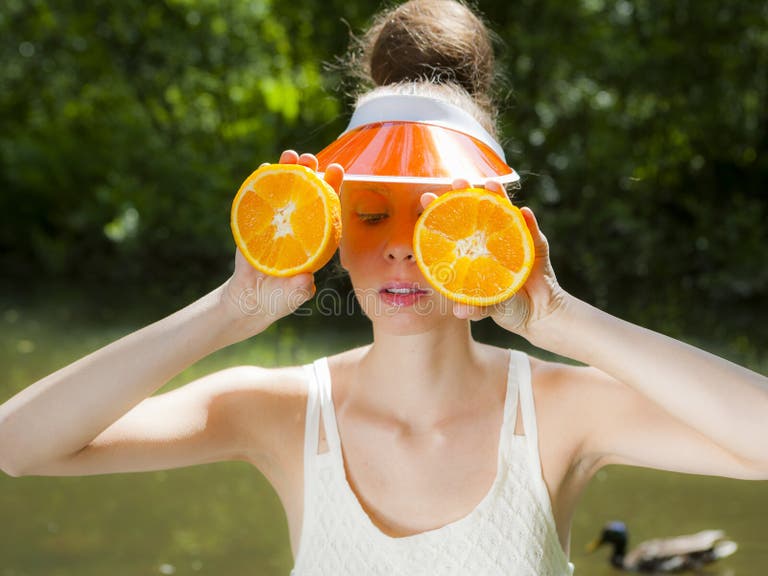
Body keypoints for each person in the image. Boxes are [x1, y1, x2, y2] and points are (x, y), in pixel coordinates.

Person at [1, 1, 766, 574]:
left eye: (437, 218)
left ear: (490, 230)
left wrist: (562, 321)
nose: (401, 248)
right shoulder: (281, 412)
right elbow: (18, 445)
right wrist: (229, 312)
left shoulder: (562, 412)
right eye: (370, 214)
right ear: (333, 228)